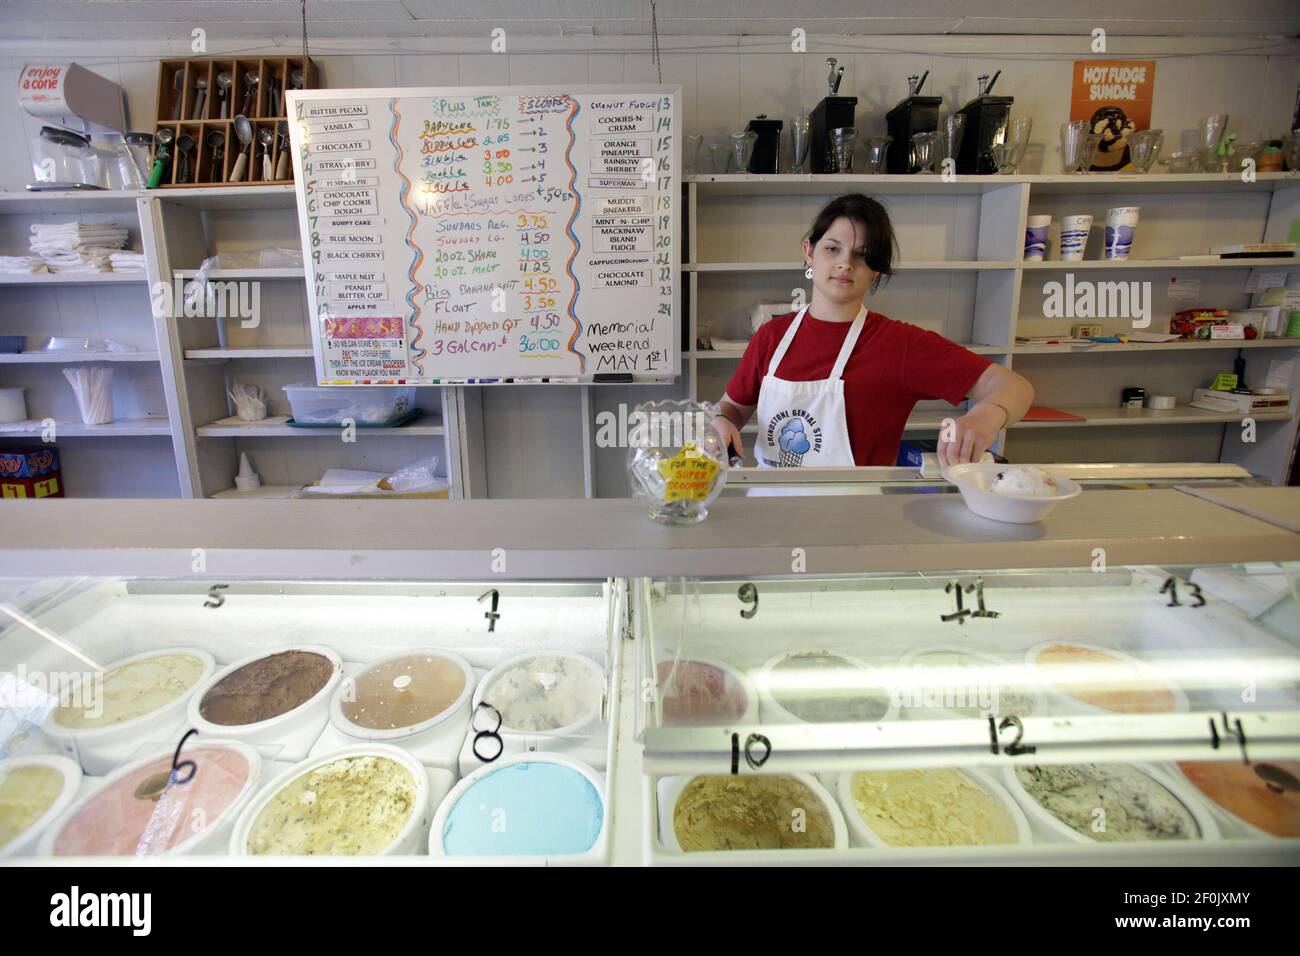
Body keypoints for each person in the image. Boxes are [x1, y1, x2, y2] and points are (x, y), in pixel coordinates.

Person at [712, 193, 1033, 469]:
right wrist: (722, 422)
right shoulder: (771, 337)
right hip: (770, 509)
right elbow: (734, 408)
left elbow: (1015, 387)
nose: (845, 263)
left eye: (862, 255)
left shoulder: (900, 345)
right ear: (809, 251)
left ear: (876, 267)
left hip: (856, 521)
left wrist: (987, 415)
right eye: (832, 249)